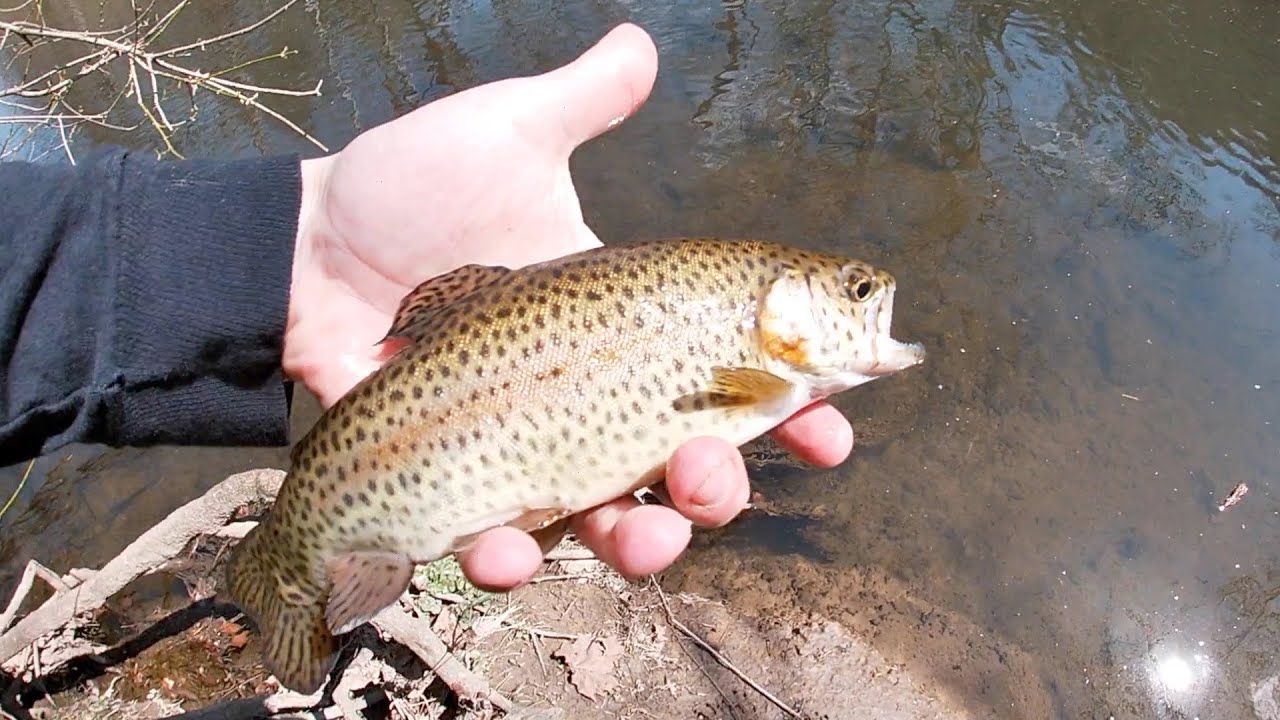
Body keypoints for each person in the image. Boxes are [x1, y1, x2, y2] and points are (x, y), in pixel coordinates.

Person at [0, 24, 853, 592]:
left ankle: (311, 559)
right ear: (784, 303)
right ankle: (286, 568)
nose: (867, 300)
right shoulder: (760, 367)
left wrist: (291, 250)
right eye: (853, 290)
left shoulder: (764, 362)